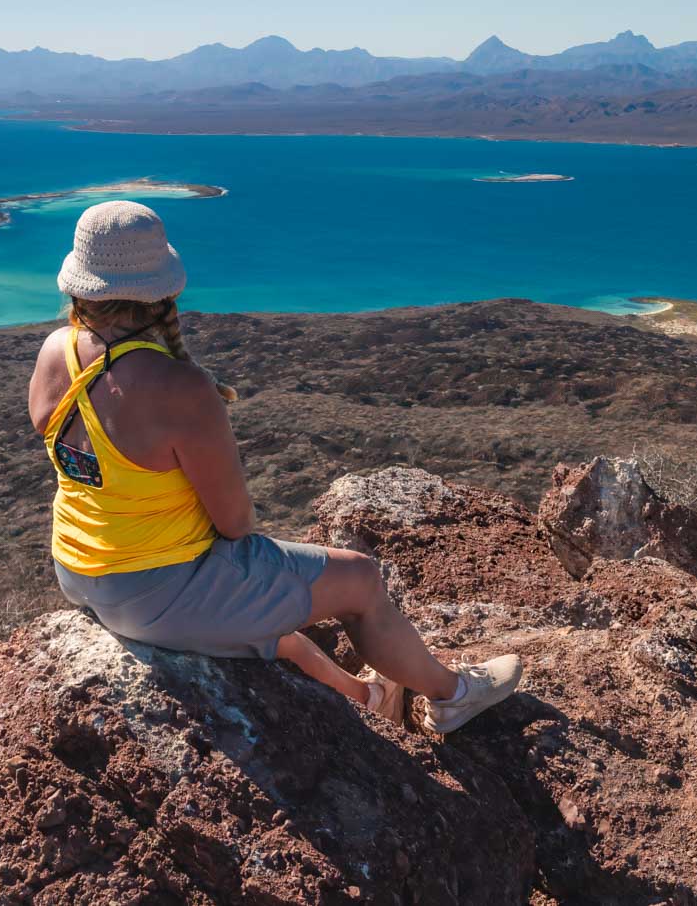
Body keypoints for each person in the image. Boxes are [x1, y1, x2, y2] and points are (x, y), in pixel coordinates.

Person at [27, 200, 522, 732]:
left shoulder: (58, 350)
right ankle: (452, 697)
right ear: (163, 291)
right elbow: (236, 525)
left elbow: (71, 440)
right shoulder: (180, 386)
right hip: (153, 592)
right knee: (359, 579)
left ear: (81, 283)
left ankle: (370, 695)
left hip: (76, 569)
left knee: (277, 617)